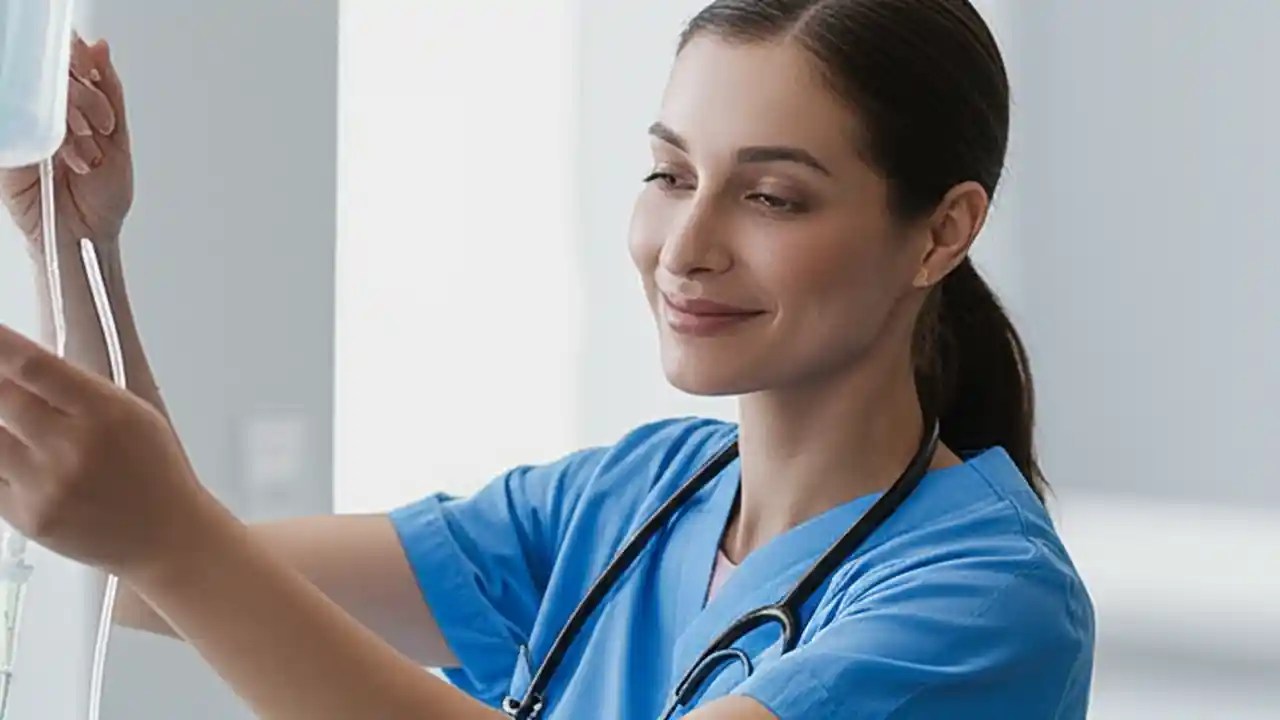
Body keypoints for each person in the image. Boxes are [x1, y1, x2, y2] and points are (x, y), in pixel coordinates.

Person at [0, 1, 1095, 718]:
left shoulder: (982, 605)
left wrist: (169, 537)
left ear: (942, 232)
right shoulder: (631, 500)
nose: (686, 247)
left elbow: (177, 549)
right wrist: (77, 243)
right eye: (668, 176)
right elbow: (137, 574)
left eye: (770, 197)